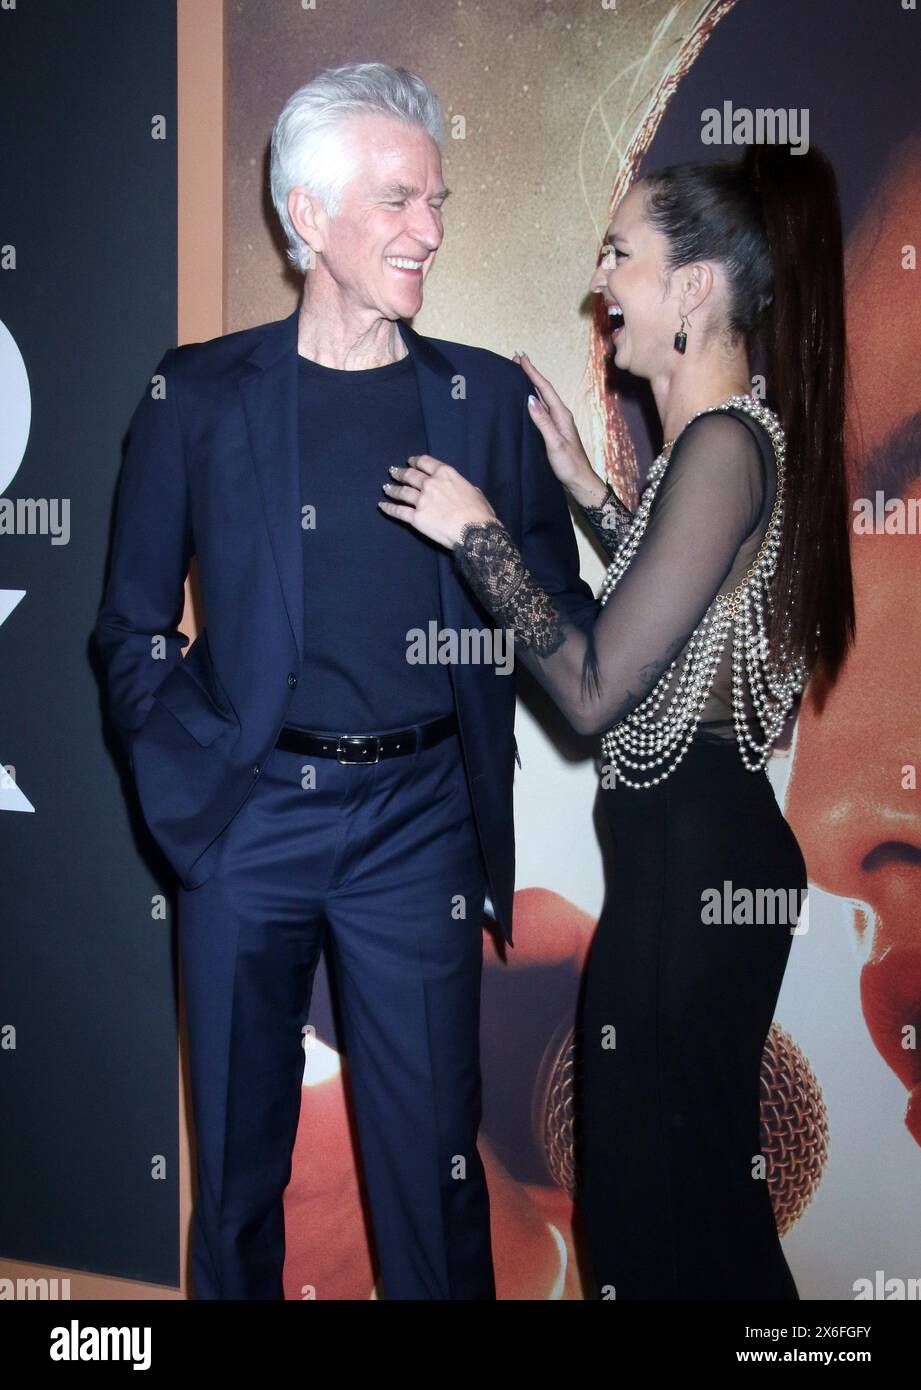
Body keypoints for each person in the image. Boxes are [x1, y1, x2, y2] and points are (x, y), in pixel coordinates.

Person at [93, 62, 596, 1300]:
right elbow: (129, 625)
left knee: (435, 1183)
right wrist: (188, 795)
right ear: (305, 216)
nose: (429, 228)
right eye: (396, 201)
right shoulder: (198, 394)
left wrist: (487, 533)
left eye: (437, 199)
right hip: (245, 816)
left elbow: (567, 633)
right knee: (239, 1183)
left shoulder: (480, 402)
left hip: (417, 827)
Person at [379, 143, 855, 1299]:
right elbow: (679, 608)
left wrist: (475, 530)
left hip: (692, 882)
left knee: (661, 1228)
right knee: (689, 1215)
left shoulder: (726, 446)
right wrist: (592, 489)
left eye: (623, 256)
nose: (604, 284)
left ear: (695, 286)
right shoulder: (726, 448)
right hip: (687, 870)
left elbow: (598, 690)